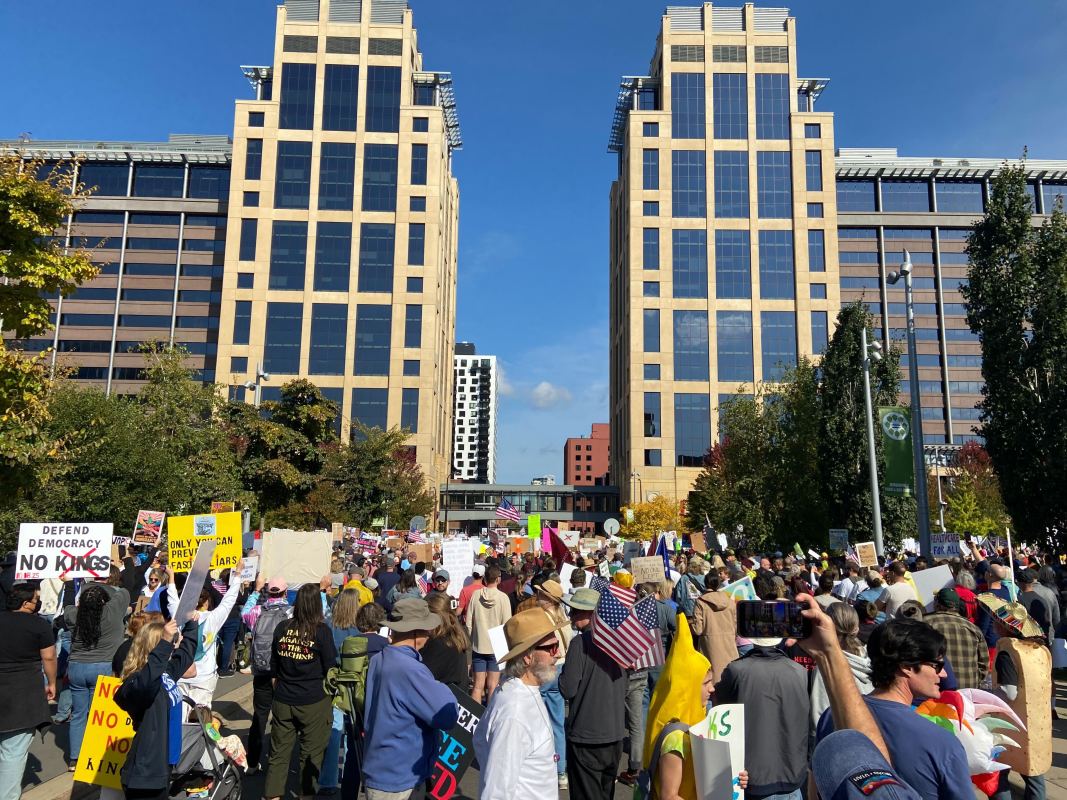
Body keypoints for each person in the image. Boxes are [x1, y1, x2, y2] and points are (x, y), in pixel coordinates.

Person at [815, 618, 973, 799]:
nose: (944, 674)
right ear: (907, 667)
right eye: (937, 665)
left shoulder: (831, 715)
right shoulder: (943, 743)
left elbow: (817, 785)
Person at [714, 574, 810, 800]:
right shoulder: (799, 671)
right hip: (791, 776)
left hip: (753, 777)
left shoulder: (736, 670)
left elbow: (721, 717)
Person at [642, 612, 749, 800]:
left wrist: (735, 778)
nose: (712, 689)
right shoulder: (675, 738)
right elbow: (669, 796)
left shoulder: (699, 722)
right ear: (688, 687)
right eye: (706, 682)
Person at [362, 598, 460, 800]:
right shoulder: (409, 669)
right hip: (399, 777)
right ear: (416, 632)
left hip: (381, 768)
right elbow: (447, 715)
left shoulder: (380, 659)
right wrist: (443, 688)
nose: (429, 634)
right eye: (426, 629)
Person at [473, 608, 568, 799]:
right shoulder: (514, 713)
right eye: (550, 648)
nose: (557, 654)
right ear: (527, 656)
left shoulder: (525, 690)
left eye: (557, 645)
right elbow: (496, 792)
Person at [263, 583, 337, 800]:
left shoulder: (282, 628)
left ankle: (272, 795)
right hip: (313, 700)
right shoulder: (322, 632)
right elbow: (330, 667)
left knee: (278, 755)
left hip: (284, 698)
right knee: (311, 756)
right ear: (317, 605)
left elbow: (274, 664)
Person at [114, 617, 197, 800]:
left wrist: (192, 624)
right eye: (169, 641)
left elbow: (185, 654)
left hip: (164, 765)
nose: (173, 645)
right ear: (155, 645)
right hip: (145, 774)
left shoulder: (165, 673)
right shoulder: (136, 683)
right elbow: (148, 681)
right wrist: (165, 642)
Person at [559, 584, 627, 800]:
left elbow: (568, 689)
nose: (570, 615)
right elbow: (624, 686)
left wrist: (559, 674)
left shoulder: (580, 643)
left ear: (589, 613)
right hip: (614, 735)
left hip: (587, 737)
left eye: (576, 611)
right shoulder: (620, 641)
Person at [982, 595, 1050, 800]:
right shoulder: (1040, 650)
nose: (993, 624)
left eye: (996, 621)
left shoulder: (1007, 653)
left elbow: (1010, 692)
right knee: (1035, 774)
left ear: (1004, 626)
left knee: (999, 772)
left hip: (1012, 724)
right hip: (1038, 722)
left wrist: (987, 694)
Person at [64, 580, 130, 770]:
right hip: (103, 668)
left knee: (78, 714)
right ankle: (95, 756)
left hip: (76, 668)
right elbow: (124, 590)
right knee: (98, 716)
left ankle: (75, 758)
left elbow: (68, 604)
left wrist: (71, 586)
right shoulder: (112, 612)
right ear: (104, 601)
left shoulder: (72, 615)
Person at [0, 584, 57, 800]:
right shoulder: (39, 625)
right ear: (26, 604)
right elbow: (49, 657)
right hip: (23, 695)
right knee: (13, 752)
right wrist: (52, 683)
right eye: (36, 599)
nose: (38, 603)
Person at [166, 567, 241, 706]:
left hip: (180, 673)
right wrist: (237, 576)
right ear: (206, 603)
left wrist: (171, 577)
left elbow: (172, 599)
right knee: (201, 719)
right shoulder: (213, 618)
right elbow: (229, 601)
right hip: (204, 677)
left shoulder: (179, 614)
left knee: (178, 717)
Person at [241, 575, 292, 774]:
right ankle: (277, 761)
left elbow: (243, 613)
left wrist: (255, 591)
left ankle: (252, 762)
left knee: (259, 716)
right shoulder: (290, 613)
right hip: (282, 671)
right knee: (282, 717)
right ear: (285, 592)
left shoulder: (256, 611)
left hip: (261, 670)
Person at [809, 602, 872, 739]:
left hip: (837, 742)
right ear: (856, 627)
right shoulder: (871, 658)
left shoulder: (826, 665)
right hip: (869, 739)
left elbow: (819, 715)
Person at [533, 580, 573, 788]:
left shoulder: (542, 618)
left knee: (535, 720)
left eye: (540, 594)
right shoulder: (563, 616)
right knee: (557, 724)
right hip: (561, 669)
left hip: (547, 669)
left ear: (547, 599)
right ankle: (561, 771)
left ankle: (540, 767)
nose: (537, 596)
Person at [923, 587, 987, 689]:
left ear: (937, 604)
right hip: (968, 689)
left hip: (937, 688)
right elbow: (984, 665)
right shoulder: (973, 628)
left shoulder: (925, 623)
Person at [465, 565, 512, 704]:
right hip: (497, 646)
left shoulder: (476, 595)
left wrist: (473, 638)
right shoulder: (503, 598)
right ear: (498, 579)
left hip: (479, 643)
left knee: (477, 686)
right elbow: (507, 625)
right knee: (493, 687)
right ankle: (490, 719)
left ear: (485, 579)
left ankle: (476, 718)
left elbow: (468, 622)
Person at [691, 573, 739, 683]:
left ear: (705, 583)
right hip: (729, 646)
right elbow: (735, 625)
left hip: (710, 648)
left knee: (711, 684)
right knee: (729, 682)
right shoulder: (729, 601)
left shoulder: (700, 602)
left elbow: (698, 630)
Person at [421, 592, 470, 692]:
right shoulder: (457, 635)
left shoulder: (438, 643)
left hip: (442, 699)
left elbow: (423, 678)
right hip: (455, 696)